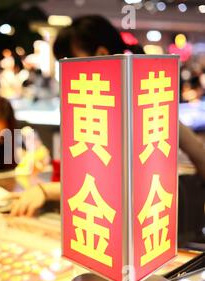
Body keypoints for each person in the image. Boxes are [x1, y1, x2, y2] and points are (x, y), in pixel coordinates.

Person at [11, 14, 205, 217]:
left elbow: (119, 186)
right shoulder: (96, 105)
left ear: (102, 53)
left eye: (72, 63)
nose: (69, 74)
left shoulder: (136, 103)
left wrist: (46, 191)